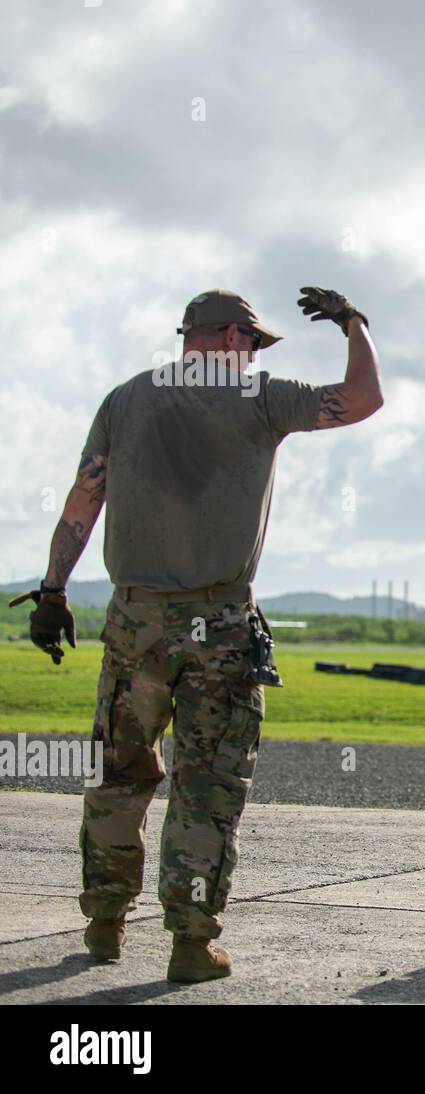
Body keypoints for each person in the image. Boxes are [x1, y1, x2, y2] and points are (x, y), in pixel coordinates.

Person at [12, 287, 382, 982]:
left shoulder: (125, 399)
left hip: (133, 620)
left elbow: (84, 495)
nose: (253, 356)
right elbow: (361, 399)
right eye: (251, 342)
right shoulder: (262, 399)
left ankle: (104, 923)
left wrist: (55, 589)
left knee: (117, 774)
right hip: (218, 621)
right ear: (230, 337)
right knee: (207, 782)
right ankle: (189, 942)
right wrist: (353, 323)